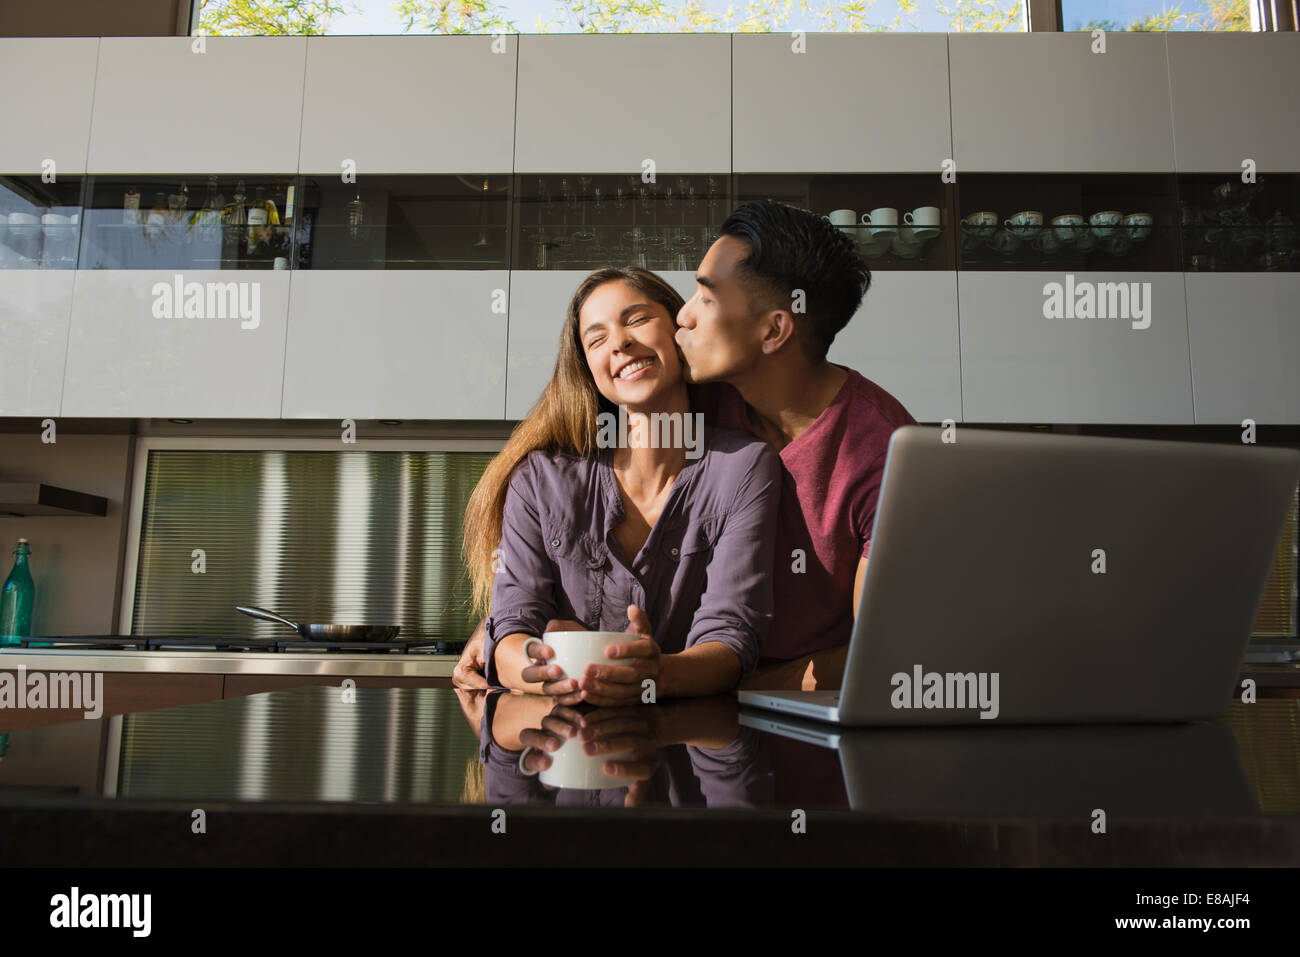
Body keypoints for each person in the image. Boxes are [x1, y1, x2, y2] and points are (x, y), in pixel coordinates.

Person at [455, 200, 916, 692]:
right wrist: (507, 632)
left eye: (706, 297)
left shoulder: (884, 458)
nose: (684, 317)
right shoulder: (701, 390)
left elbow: (883, 655)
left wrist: (722, 683)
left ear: (774, 329)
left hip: (794, 713)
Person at [460, 266, 780, 705]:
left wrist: (658, 674)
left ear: (678, 329)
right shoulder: (539, 479)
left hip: (690, 756)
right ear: (589, 369)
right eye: (596, 339)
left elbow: (732, 638)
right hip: (559, 753)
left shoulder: (743, 467)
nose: (619, 342)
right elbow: (513, 631)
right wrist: (554, 673)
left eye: (636, 320)